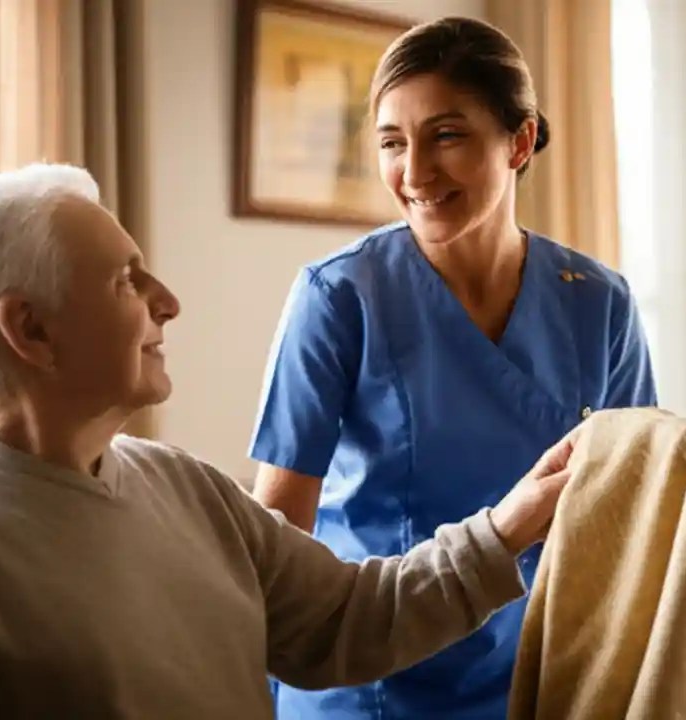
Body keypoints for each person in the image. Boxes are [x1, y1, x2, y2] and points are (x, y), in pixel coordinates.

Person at [0, 163, 580, 720]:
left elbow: (349, 620)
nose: (169, 303)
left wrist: (507, 526)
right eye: (127, 280)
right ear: (30, 329)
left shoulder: (185, 487)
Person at [249, 16, 658, 720]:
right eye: (391, 143)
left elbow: (633, 516)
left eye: (445, 136)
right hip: (368, 683)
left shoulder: (599, 303)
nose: (414, 172)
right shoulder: (339, 296)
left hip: (532, 680)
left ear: (519, 142)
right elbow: (273, 544)